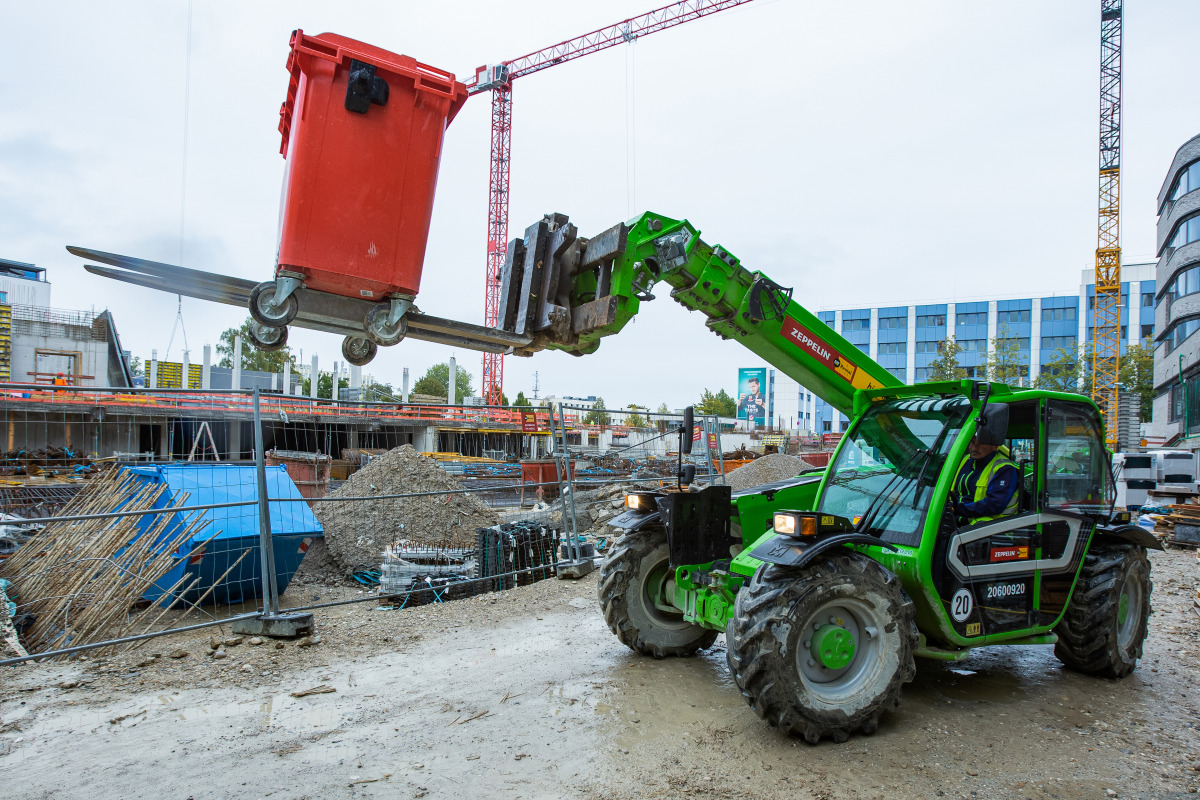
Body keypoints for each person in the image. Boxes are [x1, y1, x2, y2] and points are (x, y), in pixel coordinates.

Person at [951, 403, 1019, 526]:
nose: (974, 447)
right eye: (972, 442)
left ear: (995, 446)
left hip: (991, 529)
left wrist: (957, 509)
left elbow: (994, 505)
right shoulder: (965, 460)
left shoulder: (1004, 469)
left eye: (981, 443)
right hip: (958, 521)